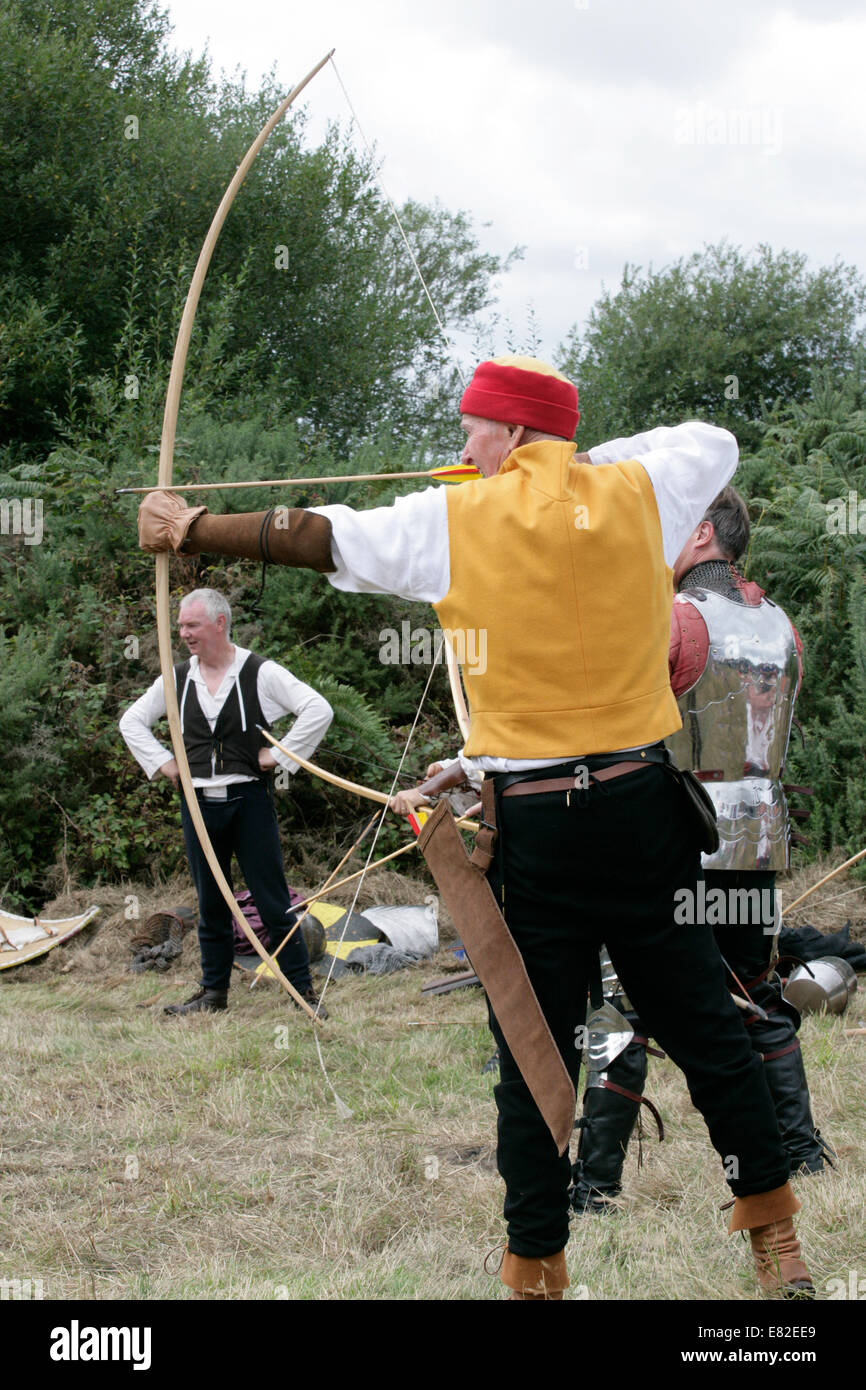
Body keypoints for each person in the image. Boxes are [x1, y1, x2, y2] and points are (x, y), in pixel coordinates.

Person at [136, 355, 813, 1299]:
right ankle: (777, 1245)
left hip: (542, 833)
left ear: (515, 434)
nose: (462, 447)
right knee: (706, 1027)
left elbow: (322, 538)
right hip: (642, 813)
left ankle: (536, 1273)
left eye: (476, 430)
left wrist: (197, 529)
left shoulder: (451, 521)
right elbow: (713, 441)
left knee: (531, 1053)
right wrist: (565, 466)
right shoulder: (645, 493)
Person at [571, 488, 833, 1216]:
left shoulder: (677, 619)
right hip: (757, 834)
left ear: (703, 532)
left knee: (620, 1011)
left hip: (675, 840)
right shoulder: (779, 625)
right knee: (756, 996)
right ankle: (802, 1155)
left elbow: (614, 722)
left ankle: (593, 1187)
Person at [119, 587, 333, 1018]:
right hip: (198, 805)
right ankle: (212, 994)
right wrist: (164, 763)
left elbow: (318, 709)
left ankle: (302, 994)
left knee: (273, 903)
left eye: (191, 625)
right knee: (211, 904)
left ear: (220, 623)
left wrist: (278, 756)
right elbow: (132, 721)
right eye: (180, 626)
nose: (183, 634)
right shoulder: (175, 677)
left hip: (248, 800)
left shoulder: (259, 672)